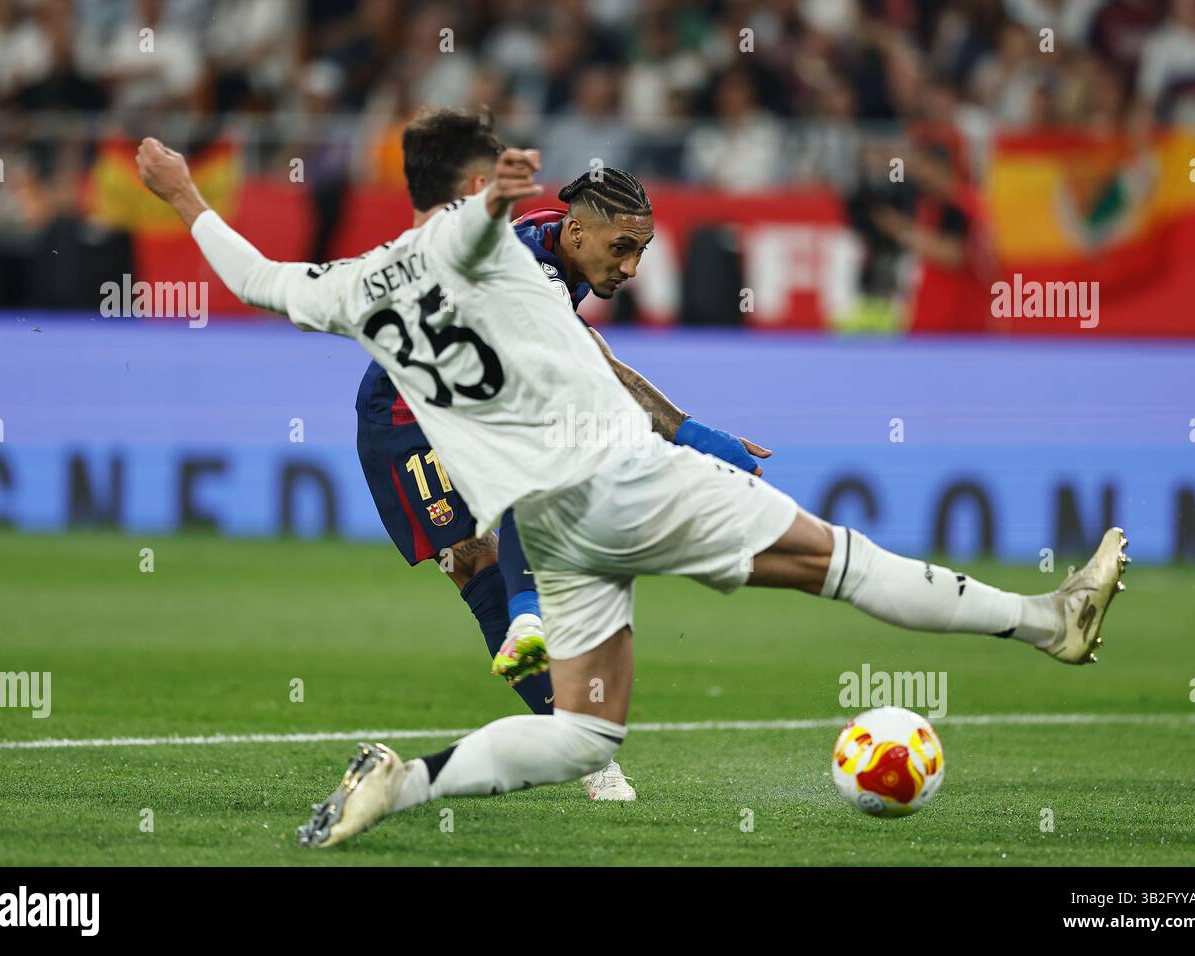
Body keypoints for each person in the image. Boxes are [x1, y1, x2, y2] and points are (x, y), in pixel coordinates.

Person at [134, 126, 1129, 851]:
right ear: (481, 190)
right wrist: (507, 191)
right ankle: (1048, 618)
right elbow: (484, 237)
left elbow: (259, 279)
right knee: (842, 561)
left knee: (581, 731)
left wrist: (185, 197)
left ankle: (401, 783)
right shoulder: (496, 244)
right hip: (622, 477)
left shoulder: (355, 284)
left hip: (555, 524)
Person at [351, 111, 768, 800]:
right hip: (406, 417)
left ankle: (552, 685)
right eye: (623, 248)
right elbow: (597, 369)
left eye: (642, 250)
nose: (632, 267)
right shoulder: (530, 265)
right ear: (578, 233)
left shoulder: (553, 240)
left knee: (520, 501)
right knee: (481, 550)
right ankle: (537, 642)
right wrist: (696, 436)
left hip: (464, 404)